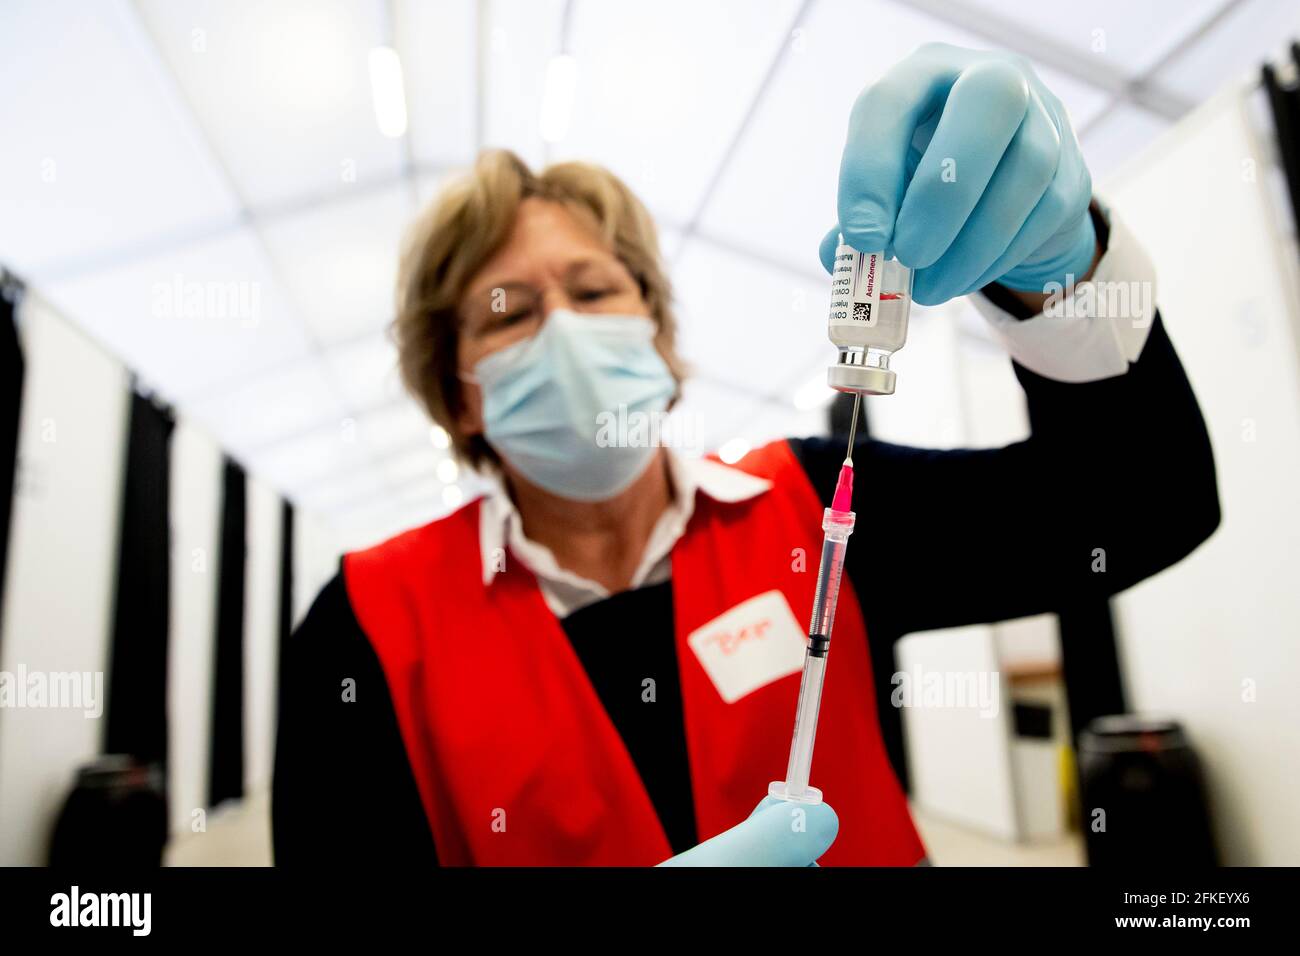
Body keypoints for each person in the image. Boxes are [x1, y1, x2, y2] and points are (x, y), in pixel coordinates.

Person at [272, 43, 1219, 866]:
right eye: (509, 314)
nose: (562, 330)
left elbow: (1139, 503)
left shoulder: (813, 506)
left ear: (659, 335)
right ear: (456, 393)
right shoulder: (365, 626)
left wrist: (1063, 274)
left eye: (594, 291)